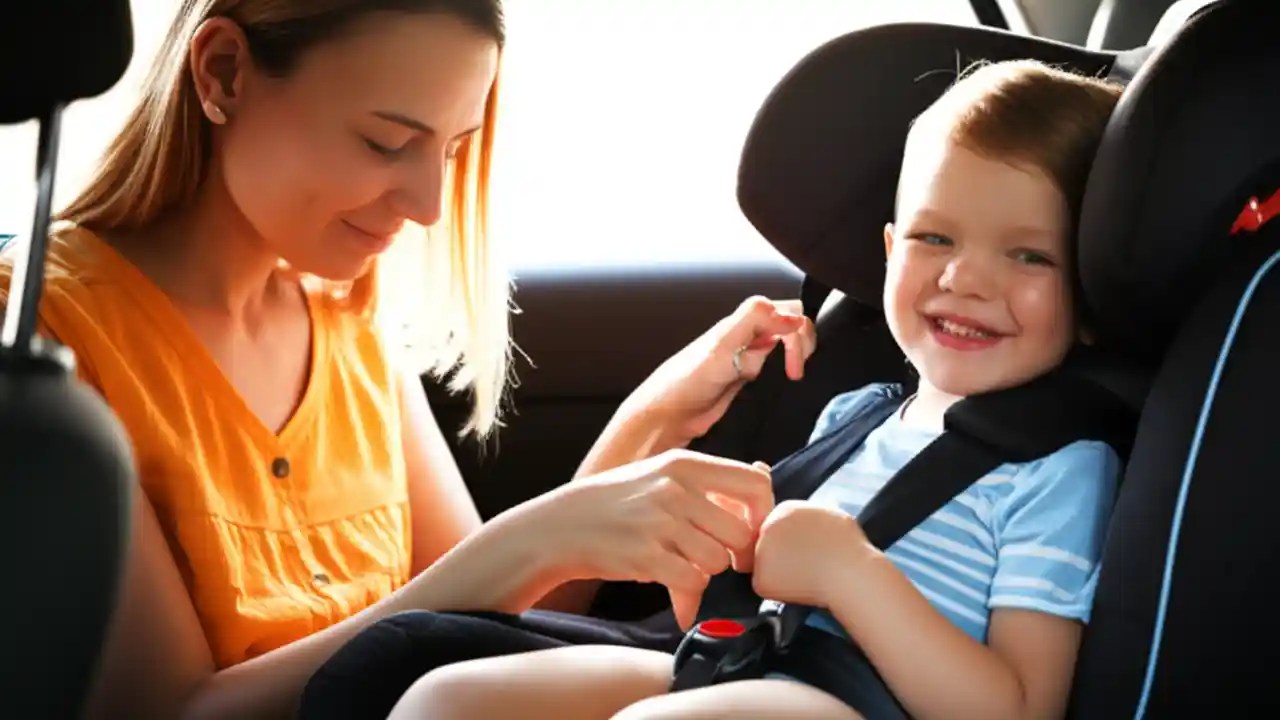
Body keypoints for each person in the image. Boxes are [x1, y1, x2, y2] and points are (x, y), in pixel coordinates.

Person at [0, 2, 818, 718]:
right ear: (223, 74)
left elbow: (474, 628)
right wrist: (535, 537)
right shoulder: (39, 337)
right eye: (387, 141)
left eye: (454, 149)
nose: (429, 205)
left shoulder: (348, 315)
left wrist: (653, 419)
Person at [384, 59, 1126, 720]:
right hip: (741, 656)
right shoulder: (855, 416)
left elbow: (1021, 707)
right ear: (892, 250)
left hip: (864, 702)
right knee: (447, 698)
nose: (965, 279)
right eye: (936, 239)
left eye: (1028, 255)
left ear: (1089, 293)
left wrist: (852, 574)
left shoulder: (1059, 469)